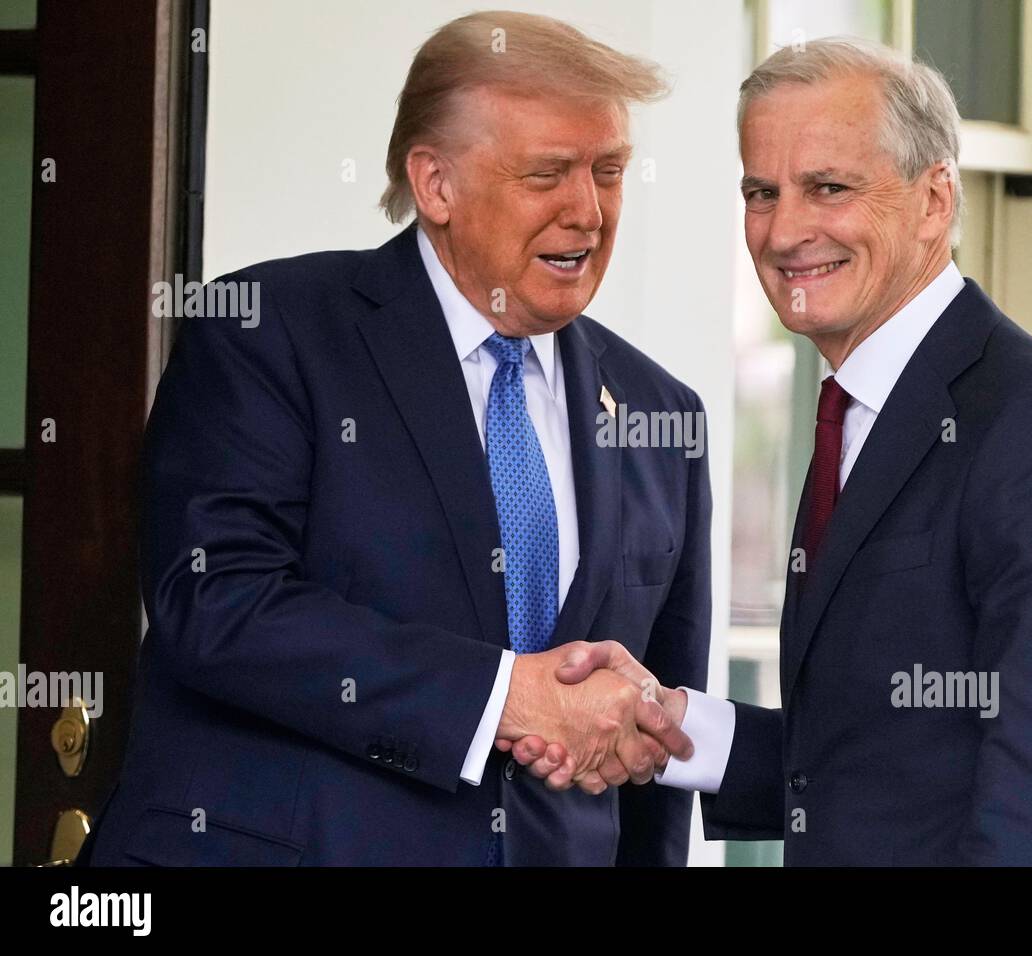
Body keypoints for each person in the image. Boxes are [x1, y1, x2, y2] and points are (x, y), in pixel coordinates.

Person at [82, 11, 708, 867]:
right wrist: (503, 698)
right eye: (548, 173)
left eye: (610, 171)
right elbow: (217, 601)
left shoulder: (662, 415)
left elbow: (656, 744)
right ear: (436, 184)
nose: (589, 211)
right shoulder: (270, 331)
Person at [514, 37, 1032, 866]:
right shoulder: (854, 413)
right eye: (761, 192)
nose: (784, 231)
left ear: (933, 201)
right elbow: (880, 756)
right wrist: (673, 720)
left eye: (829, 188)